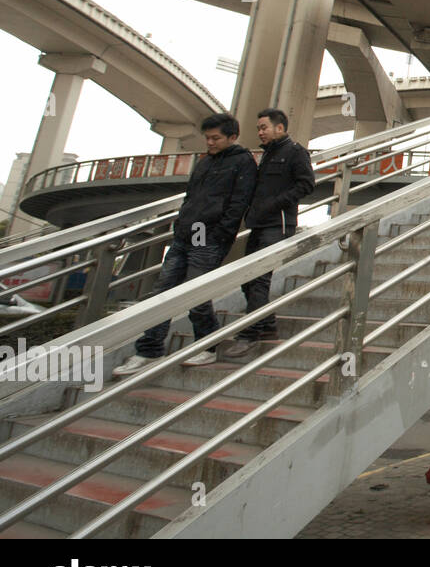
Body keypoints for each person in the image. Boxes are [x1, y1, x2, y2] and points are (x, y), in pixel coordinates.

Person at [113, 114, 257, 376]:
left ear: (232, 137)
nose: (210, 142)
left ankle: (208, 345)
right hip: (184, 234)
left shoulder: (242, 162)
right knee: (162, 292)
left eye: (216, 138)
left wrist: (220, 233)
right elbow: (191, 197)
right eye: (208, 138)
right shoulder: (204, 162)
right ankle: (149, 350)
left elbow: (239, 203)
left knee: (195, 294)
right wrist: (180, 226)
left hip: (209, 235)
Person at [224, 108, 315, 358]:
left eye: (264, 127)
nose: (260, 132)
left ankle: (249, 335)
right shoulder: (266, 156)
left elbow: (307, 184)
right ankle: (267, 326)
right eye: (258, 128)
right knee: (247, 279)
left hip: (279, 225)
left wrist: (276, 203)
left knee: (259, 278)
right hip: (259, 223)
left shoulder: (295, 152)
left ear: (280, 128)